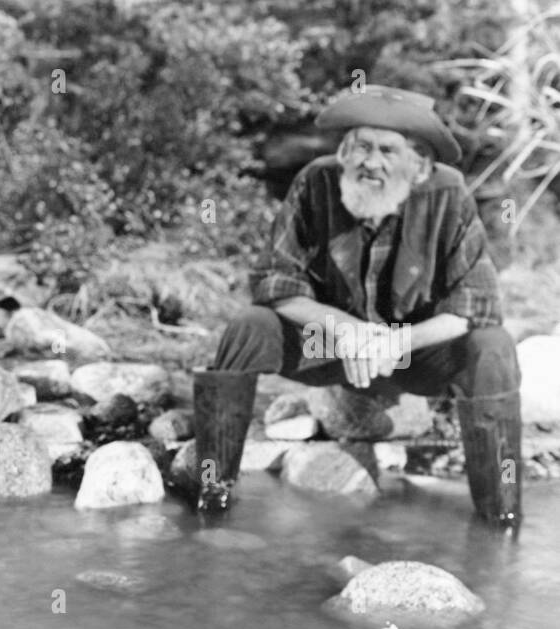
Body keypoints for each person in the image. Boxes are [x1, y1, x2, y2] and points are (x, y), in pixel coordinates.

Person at [191, 85, 521, 530]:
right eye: (361, 146)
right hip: (327, 346)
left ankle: (501, 513)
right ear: (345, 151)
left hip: (413, 354)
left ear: (419, 165)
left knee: (493, 345)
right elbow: (275, 282)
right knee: (249, 326)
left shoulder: (449, 194)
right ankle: (212, 498)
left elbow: (474, 305)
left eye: (387, 150)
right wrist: (348, 330)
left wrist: (396, 341)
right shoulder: (316, 181)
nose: (371, 161)